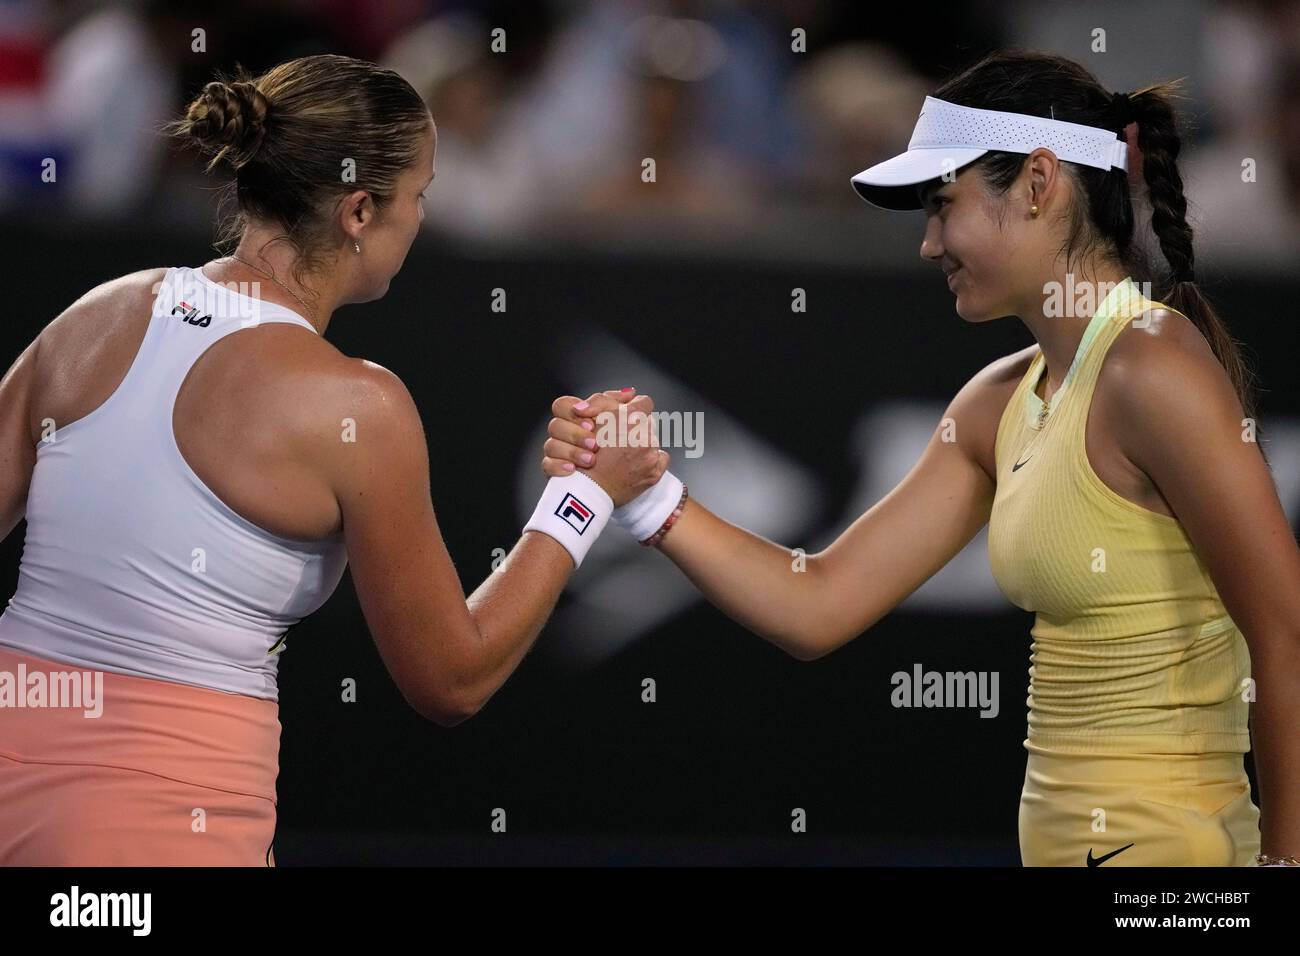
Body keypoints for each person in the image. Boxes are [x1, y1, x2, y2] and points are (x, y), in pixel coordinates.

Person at [541, 50, 1300, 866]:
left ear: (1039, 184)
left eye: (944, 205)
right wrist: (649, 495)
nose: (928, 244)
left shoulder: (1154, 365)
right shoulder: (995, 402)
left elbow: (1286, 632)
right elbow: (819, 604)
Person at [0, 54, 669, 866]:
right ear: (359, 210)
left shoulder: (95, 316)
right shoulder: (359, 407)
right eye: (418, 194)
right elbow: (452, 680)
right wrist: (584, 495)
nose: (421, 218)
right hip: (155, 832)